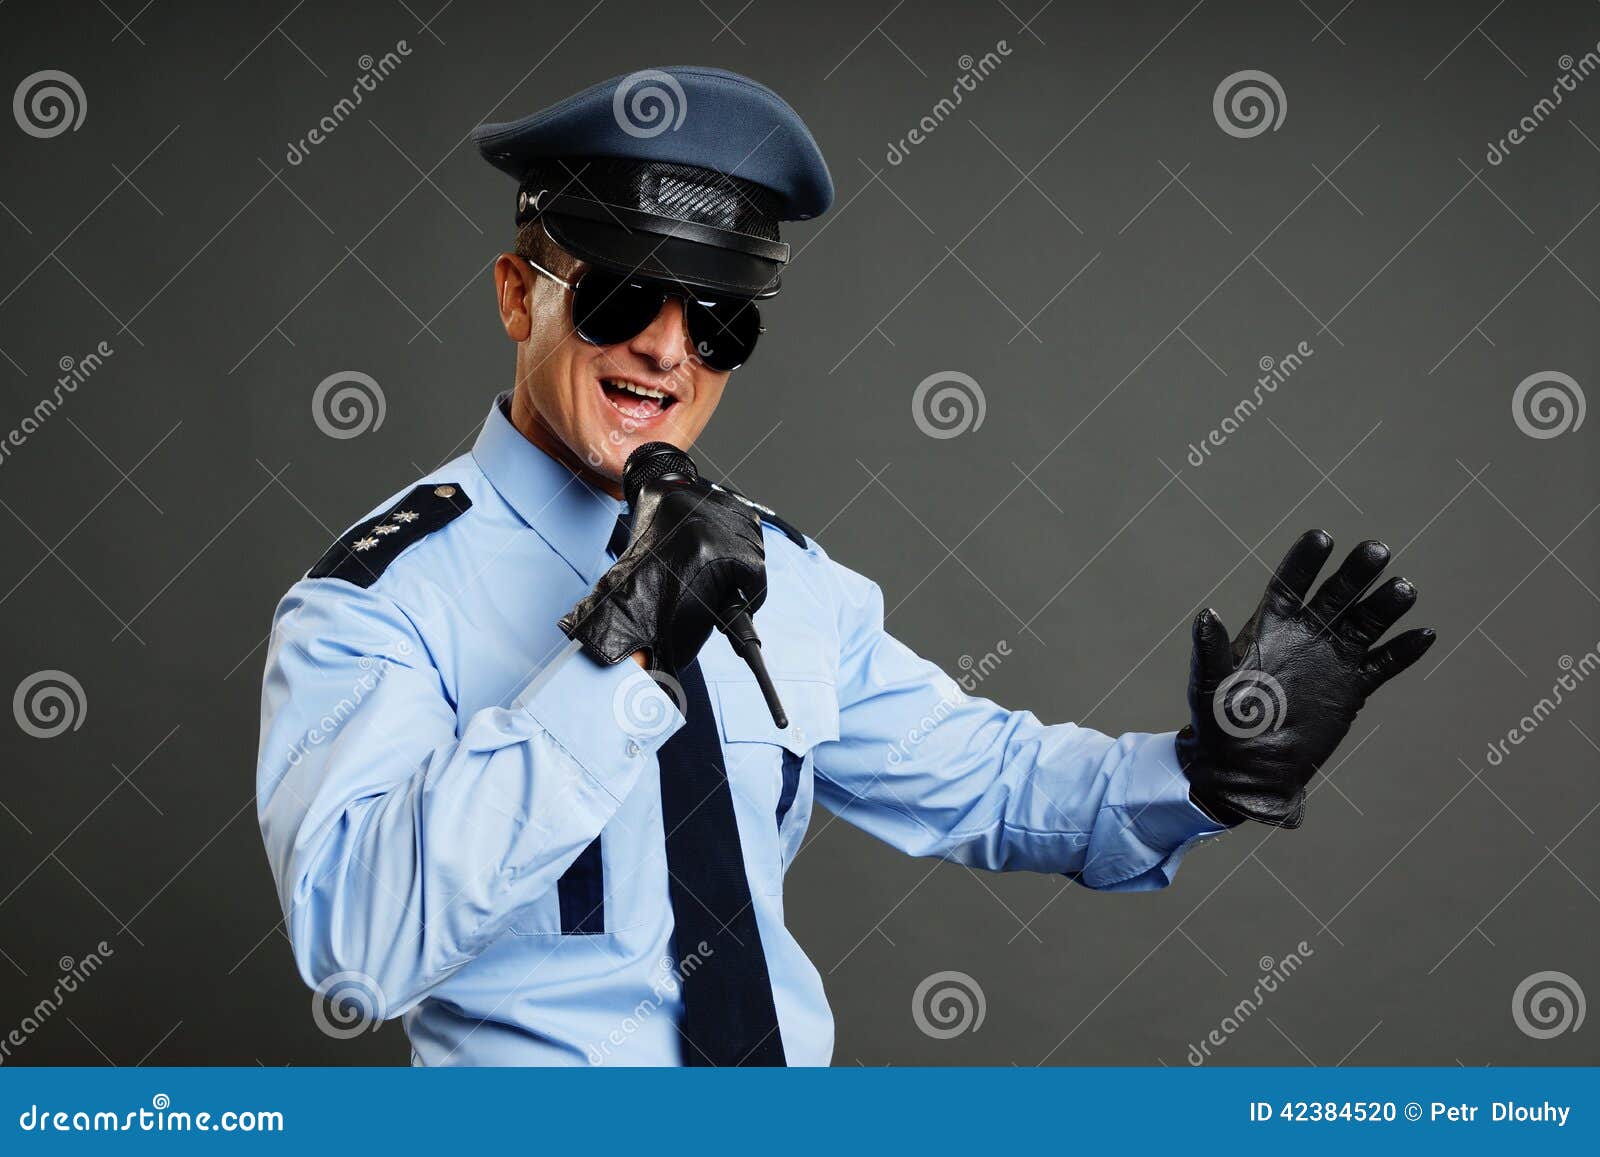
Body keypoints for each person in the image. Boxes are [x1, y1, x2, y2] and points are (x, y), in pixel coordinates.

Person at [255, 66, 1435, 1067]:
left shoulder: (782, 574)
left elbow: (992, 781)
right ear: (521, 296)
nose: (666, 349)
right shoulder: (380, 599)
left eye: (718, 316)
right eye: (619, 296)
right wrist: (623, 652)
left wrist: (1204, 772)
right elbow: (357, 943)